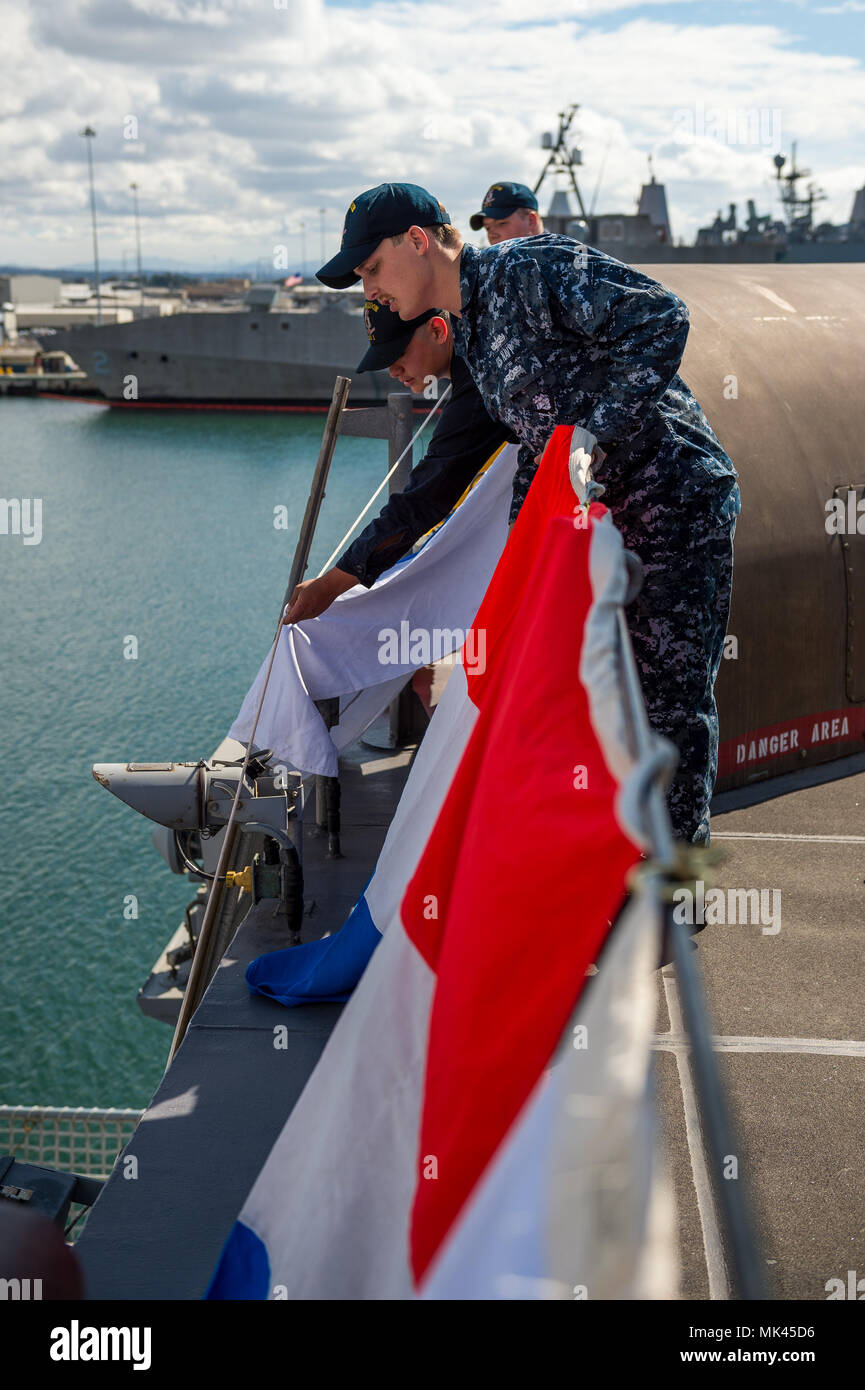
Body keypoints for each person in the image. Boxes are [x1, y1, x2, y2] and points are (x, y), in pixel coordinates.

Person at [316, 183, 741, 846]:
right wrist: (338, 582)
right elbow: (456, 478)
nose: (369, 290)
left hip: (676, 507)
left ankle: (674, 886)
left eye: (370, 269)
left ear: (418, 242)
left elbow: (662, 317)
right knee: (592, 701)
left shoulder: (529, 268)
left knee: (669, 705)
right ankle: (611, 866)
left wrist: (592, 433)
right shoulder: (475, 343)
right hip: (601, 533)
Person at [284, 295, 515, 622]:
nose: (393, 371)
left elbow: (423, 499)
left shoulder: (481, 380)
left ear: (438, 330)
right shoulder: (485, 344)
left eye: (398, 354)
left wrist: (331, 585)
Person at [469, 181, 545, 244]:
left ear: (531, 221)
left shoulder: (555, 258)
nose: (492, 235)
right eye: (488, 228)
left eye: (502, 223)